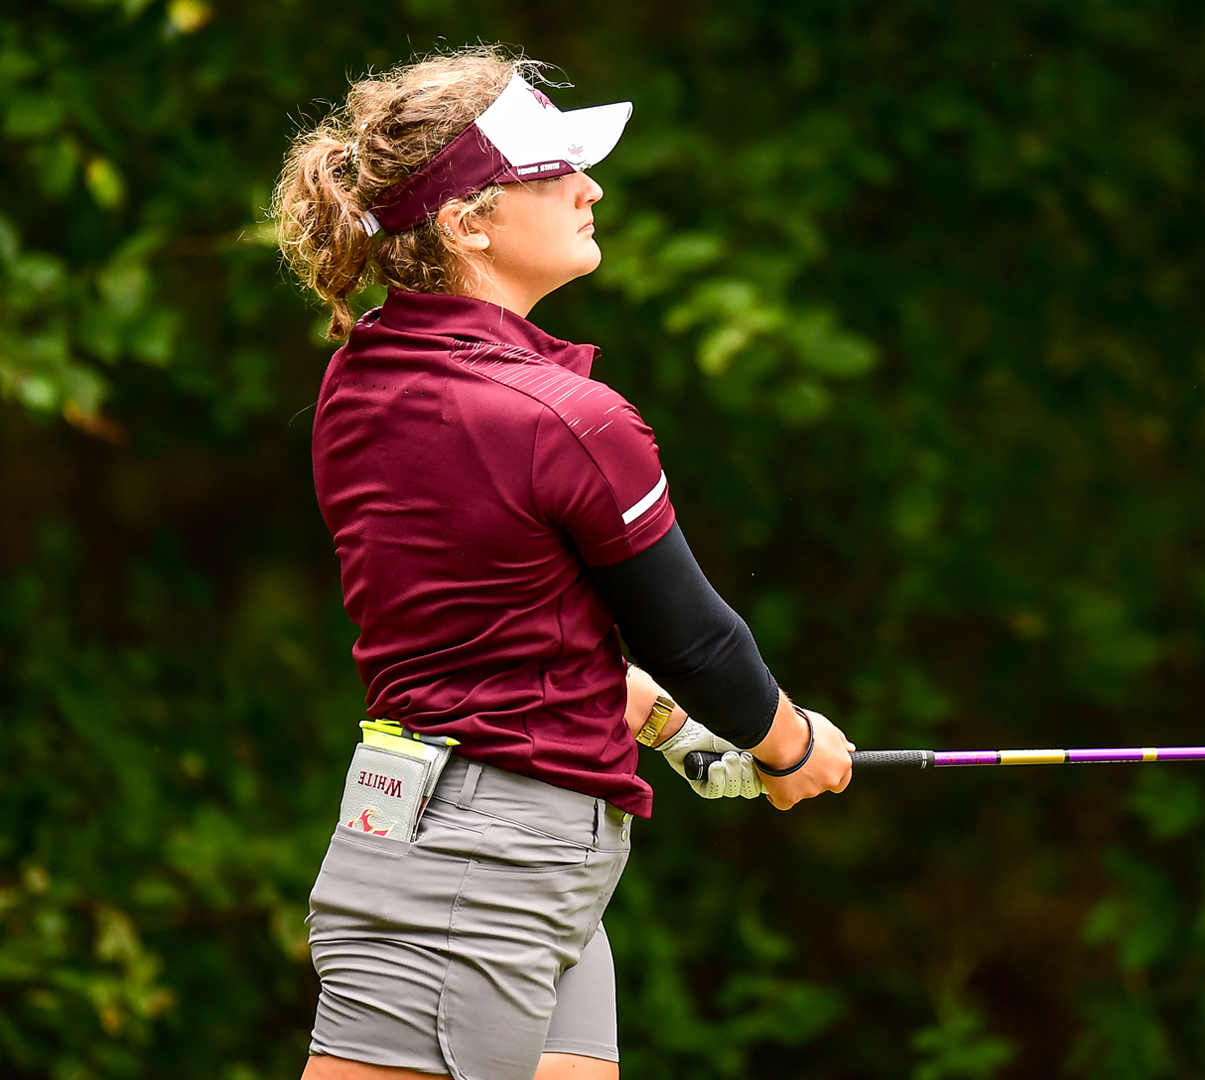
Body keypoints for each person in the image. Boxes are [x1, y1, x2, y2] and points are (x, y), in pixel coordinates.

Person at [272, 47, 855, 1080]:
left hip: (514, 849)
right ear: (467, 223)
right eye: (556, 172)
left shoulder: (358, 380)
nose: (591, 187)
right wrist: (787, 743)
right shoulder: (566, 421)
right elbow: (696, 636)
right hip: (485, 860)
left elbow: (492, 627)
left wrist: (658, 719)